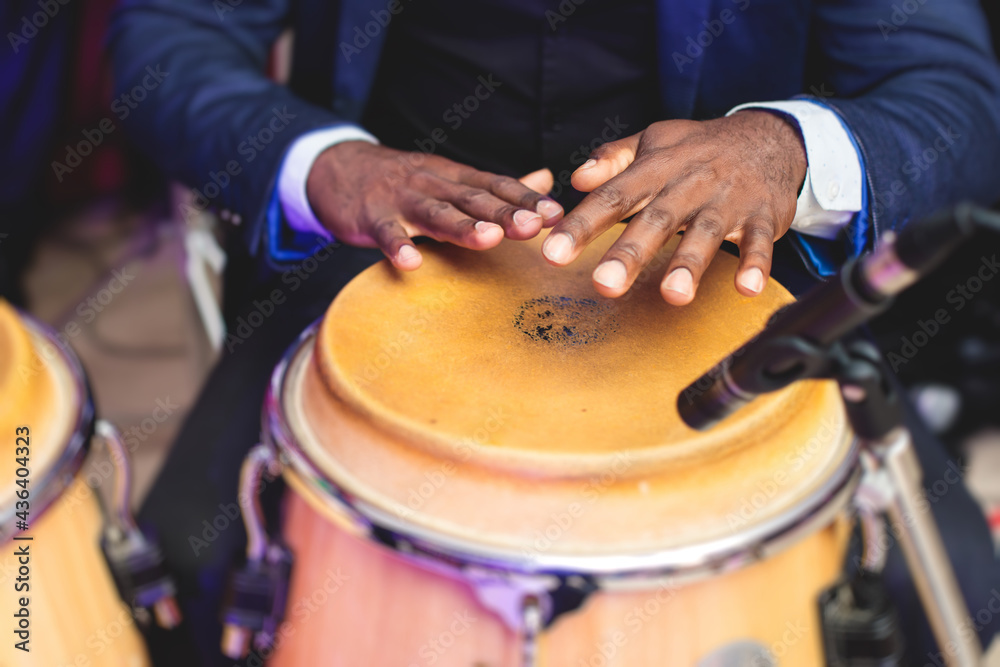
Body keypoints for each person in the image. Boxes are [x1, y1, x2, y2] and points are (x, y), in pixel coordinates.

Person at [108, 1, 1000, 664]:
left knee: (949, 580)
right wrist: (325, 163)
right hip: (383, 252)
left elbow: (955, 93)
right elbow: (168, 35)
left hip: (726, 274)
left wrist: (782, 150)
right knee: (193, 564)